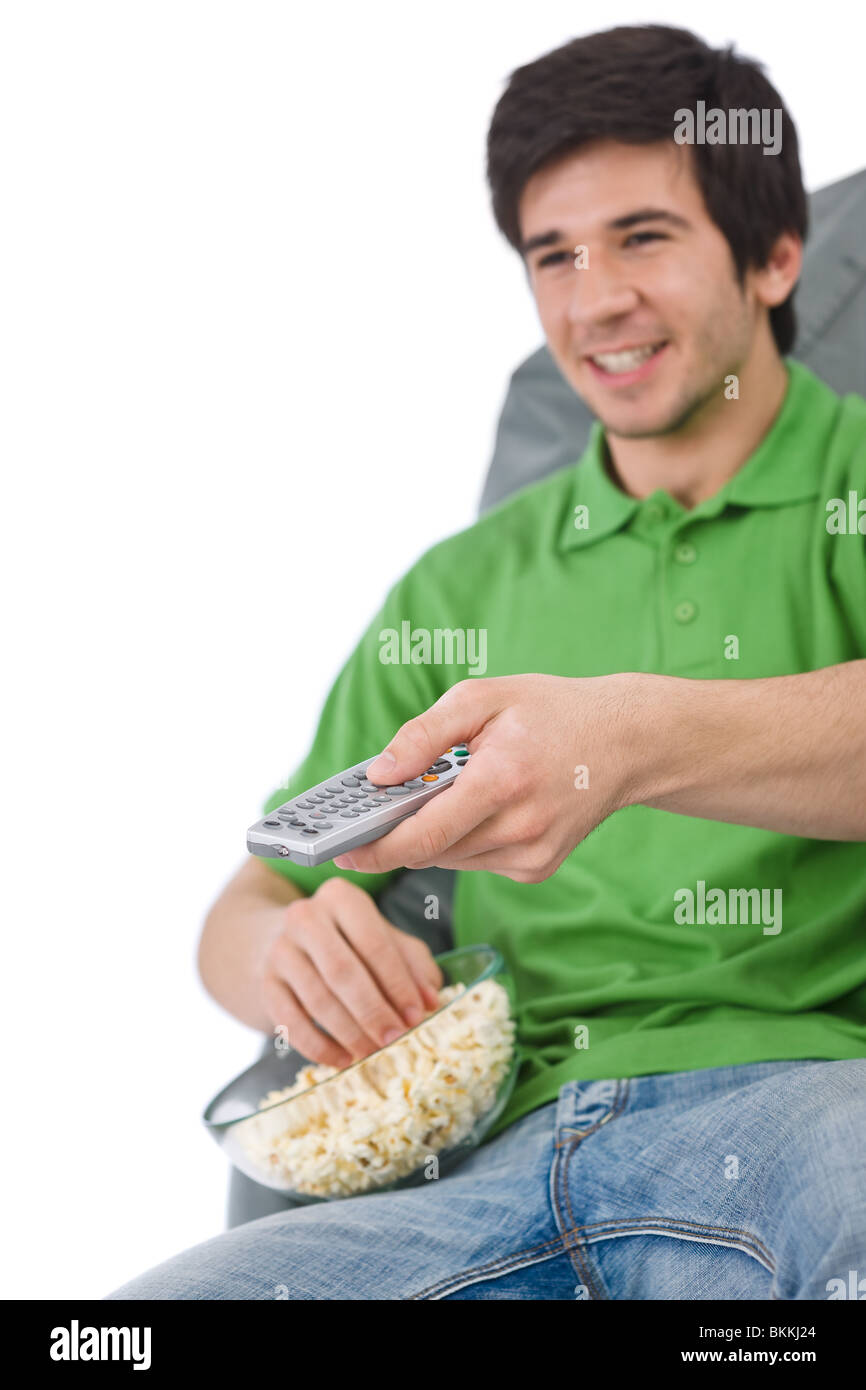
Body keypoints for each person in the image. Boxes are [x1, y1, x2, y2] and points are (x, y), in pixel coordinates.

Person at [107, 23, 866, 1301]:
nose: (592, 301)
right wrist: (290, 954)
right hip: (485, 1172)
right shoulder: (460, 587)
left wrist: (627, 739)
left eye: (641, 237)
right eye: (551, 255)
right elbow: (244, 909)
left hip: (800, 1117)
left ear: (773, 255)